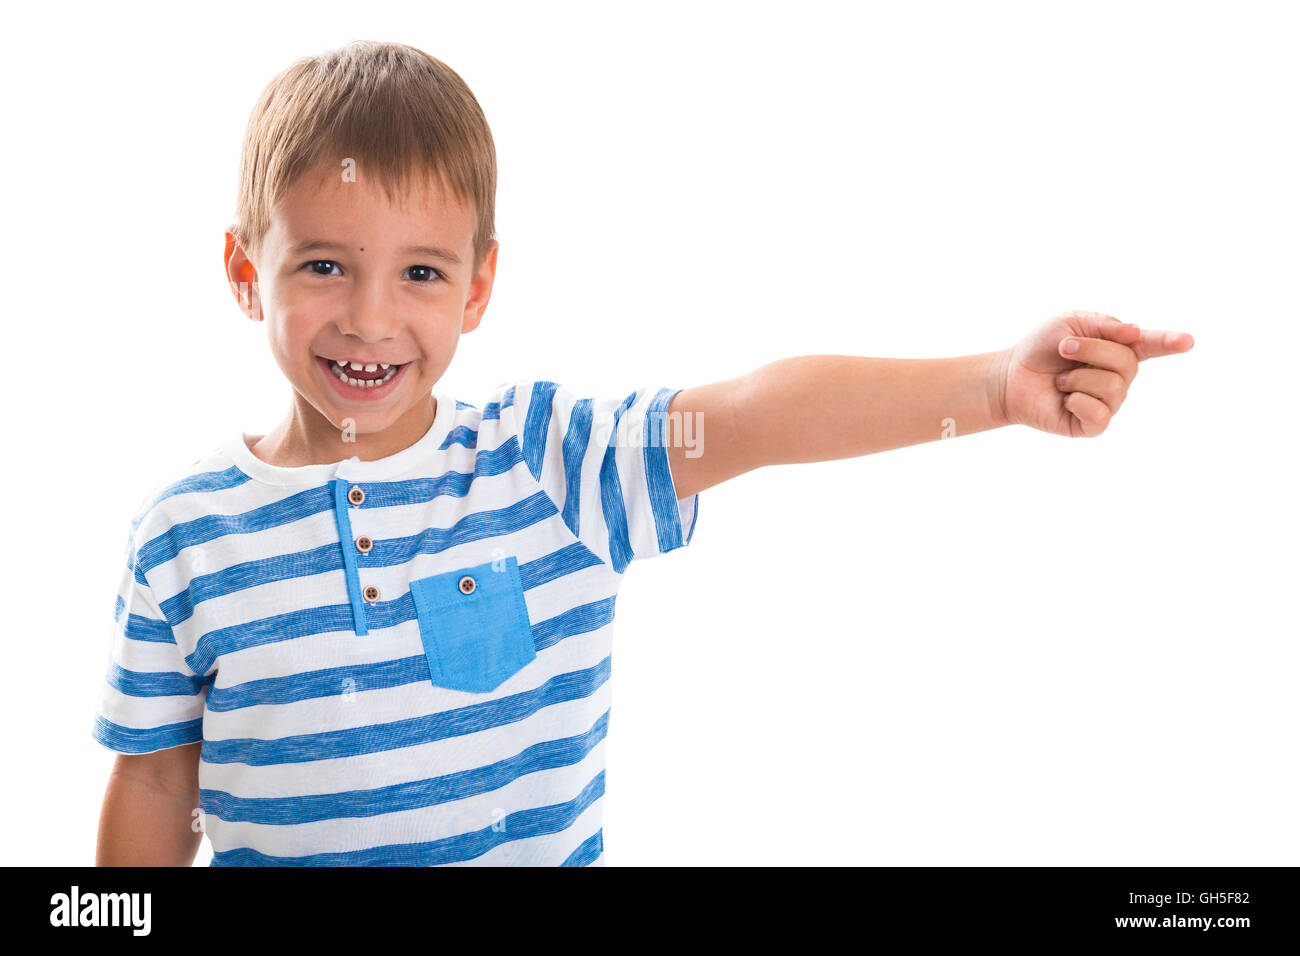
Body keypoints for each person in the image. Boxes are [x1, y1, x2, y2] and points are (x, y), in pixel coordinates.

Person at [93, 40, 1194, 867]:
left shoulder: (553, 463)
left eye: (421, 273)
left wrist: (991, 386)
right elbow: (153, 782)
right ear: (245, 269)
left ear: (478, 287)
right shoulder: (186, 532)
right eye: (325, 265)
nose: (371, 317)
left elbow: (760, 412)